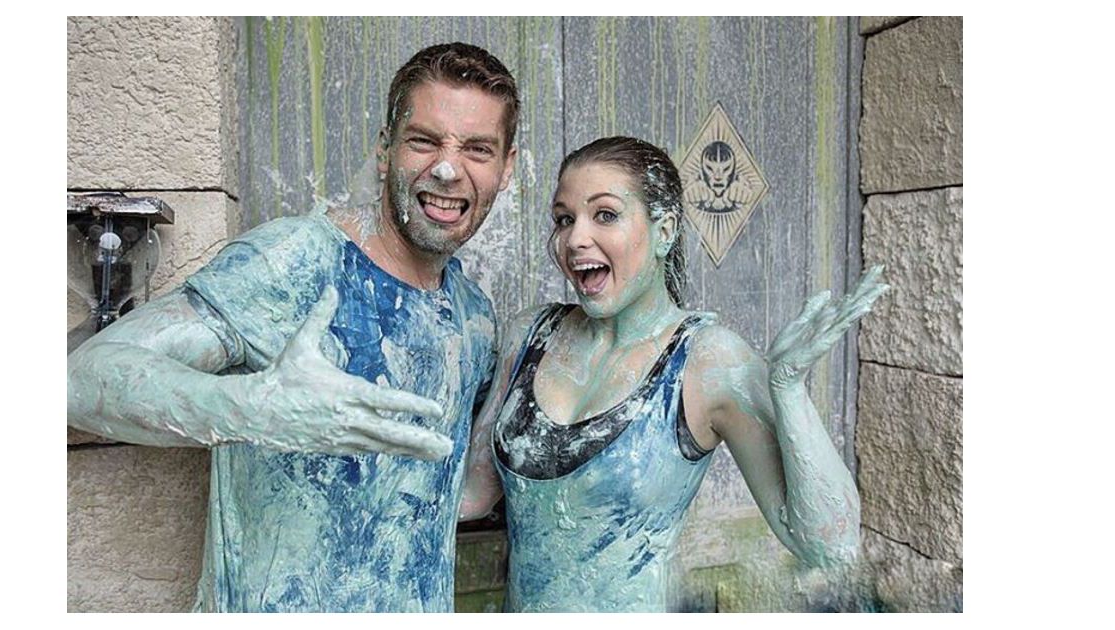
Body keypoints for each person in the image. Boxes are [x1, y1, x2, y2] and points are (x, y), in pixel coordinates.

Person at [68, 42, 519, 612]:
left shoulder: (474, 316)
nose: (449, 169)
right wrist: (249, 408)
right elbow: (82, 379)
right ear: (385, 151)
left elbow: (435, 494)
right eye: (424, 141)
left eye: (477, 149)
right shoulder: (297, 260)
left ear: (506, 169)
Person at [459, 136, 887, 612]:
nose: (576, 238)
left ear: (664, 231)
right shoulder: (529, 335)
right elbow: (474, 494)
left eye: (605, 215)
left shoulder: (707, 359)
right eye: (564, 219)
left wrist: (787, 390)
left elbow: (831, 546)